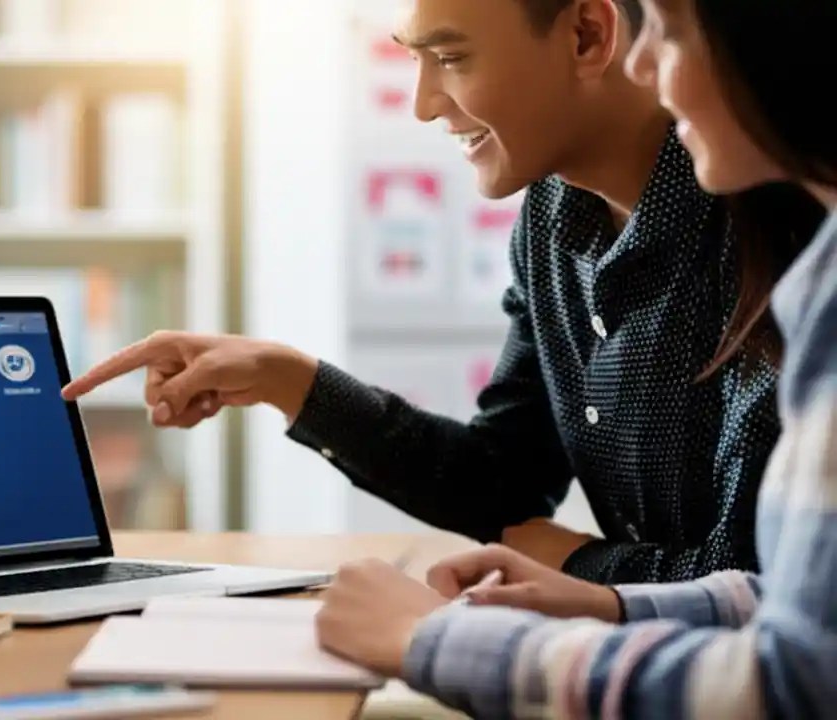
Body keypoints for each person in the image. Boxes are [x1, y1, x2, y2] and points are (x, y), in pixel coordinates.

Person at [62, 0, 825, 584]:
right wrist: (286, 379)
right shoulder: (553, 219)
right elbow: (502, 480)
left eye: (451, 58)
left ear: (588, 36)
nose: (424, 103)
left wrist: (572, 561)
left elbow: (753, 585)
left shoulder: (782, 235)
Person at [315, 0, 837, 716]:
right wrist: (606, 598)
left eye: (673, 34)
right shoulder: (553, 220)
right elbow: (793, 599)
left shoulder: (788, 253)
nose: (645, 64)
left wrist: (432, 639)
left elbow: (791, 676)